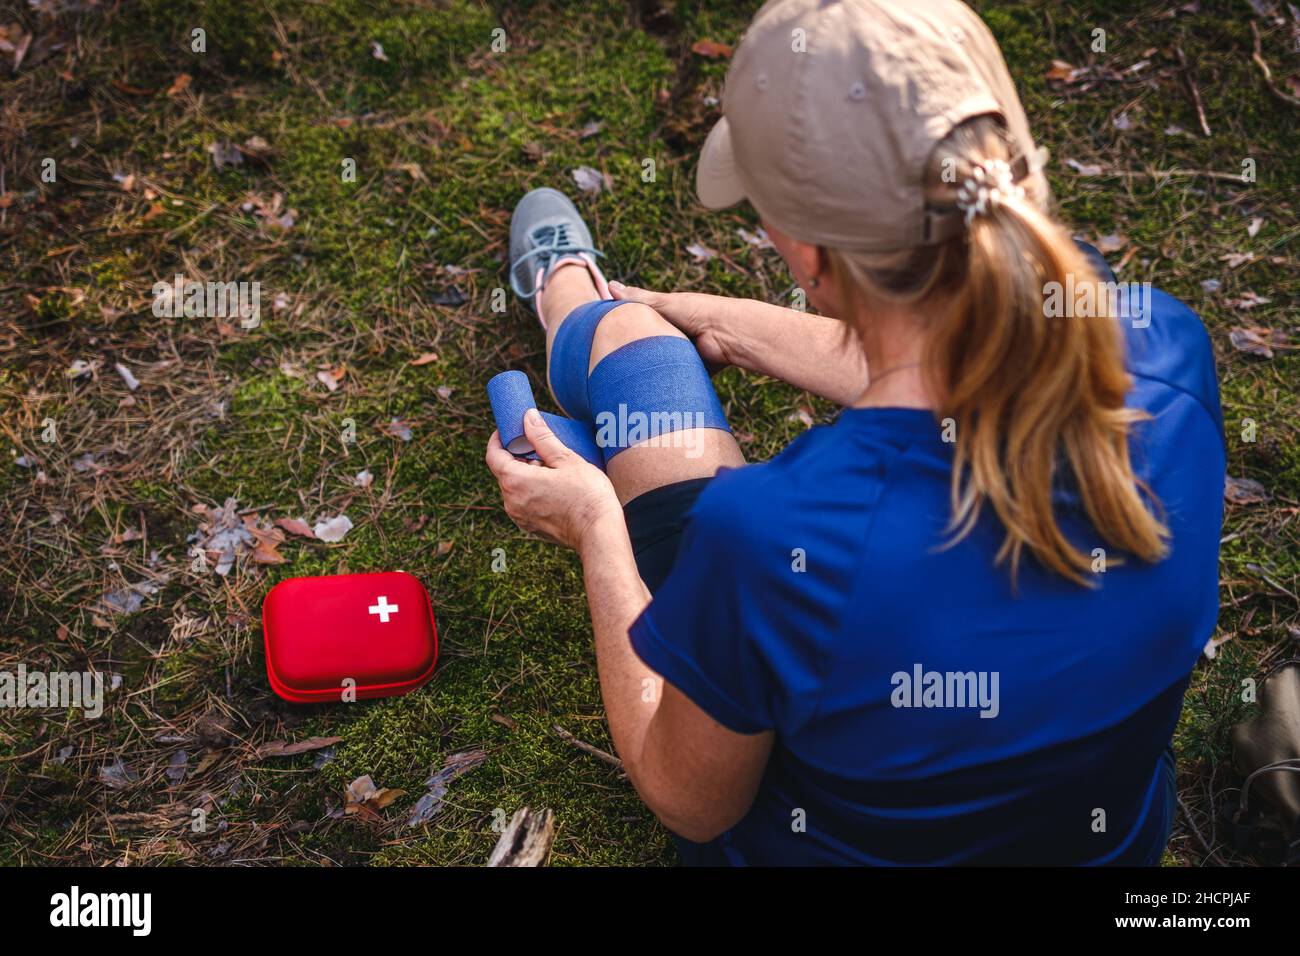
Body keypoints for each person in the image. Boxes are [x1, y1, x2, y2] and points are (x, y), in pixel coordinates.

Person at [485, 0, 1224, 865]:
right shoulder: (1163, 347)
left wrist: (594, 528)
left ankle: (571, 303)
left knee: (641, 358)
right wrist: (727, 324)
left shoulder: (771, 537)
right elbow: (962, 370)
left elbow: (689, 802)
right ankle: (591, 313)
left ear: (805, 252)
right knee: (651, 346)